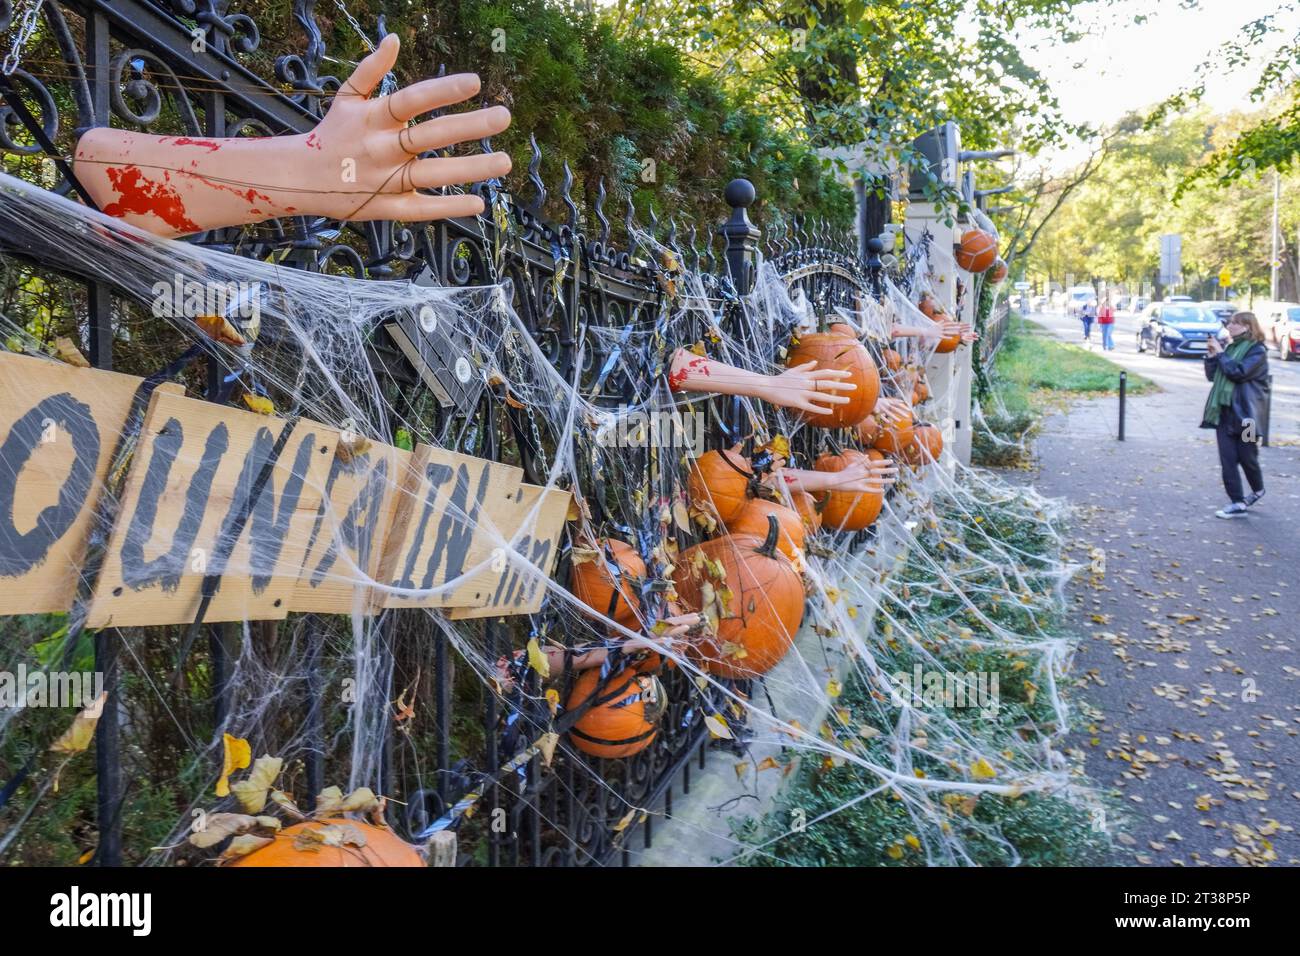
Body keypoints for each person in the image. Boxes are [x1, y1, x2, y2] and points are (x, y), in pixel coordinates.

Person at [1202, 312, 1269, 519]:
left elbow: (1238, 372)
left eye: (1234, 323)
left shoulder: (1257, 351)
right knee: (1228, 459)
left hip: (1248, 417)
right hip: (1224, 413)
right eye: (1229, 323)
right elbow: (1213, 376)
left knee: (1248, 457)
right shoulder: (1230, 347)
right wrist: (1212, 356)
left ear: (1247, 327)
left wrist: (1221, 354)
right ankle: (1237, 502)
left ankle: (1258, 489)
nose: (1229, 326)